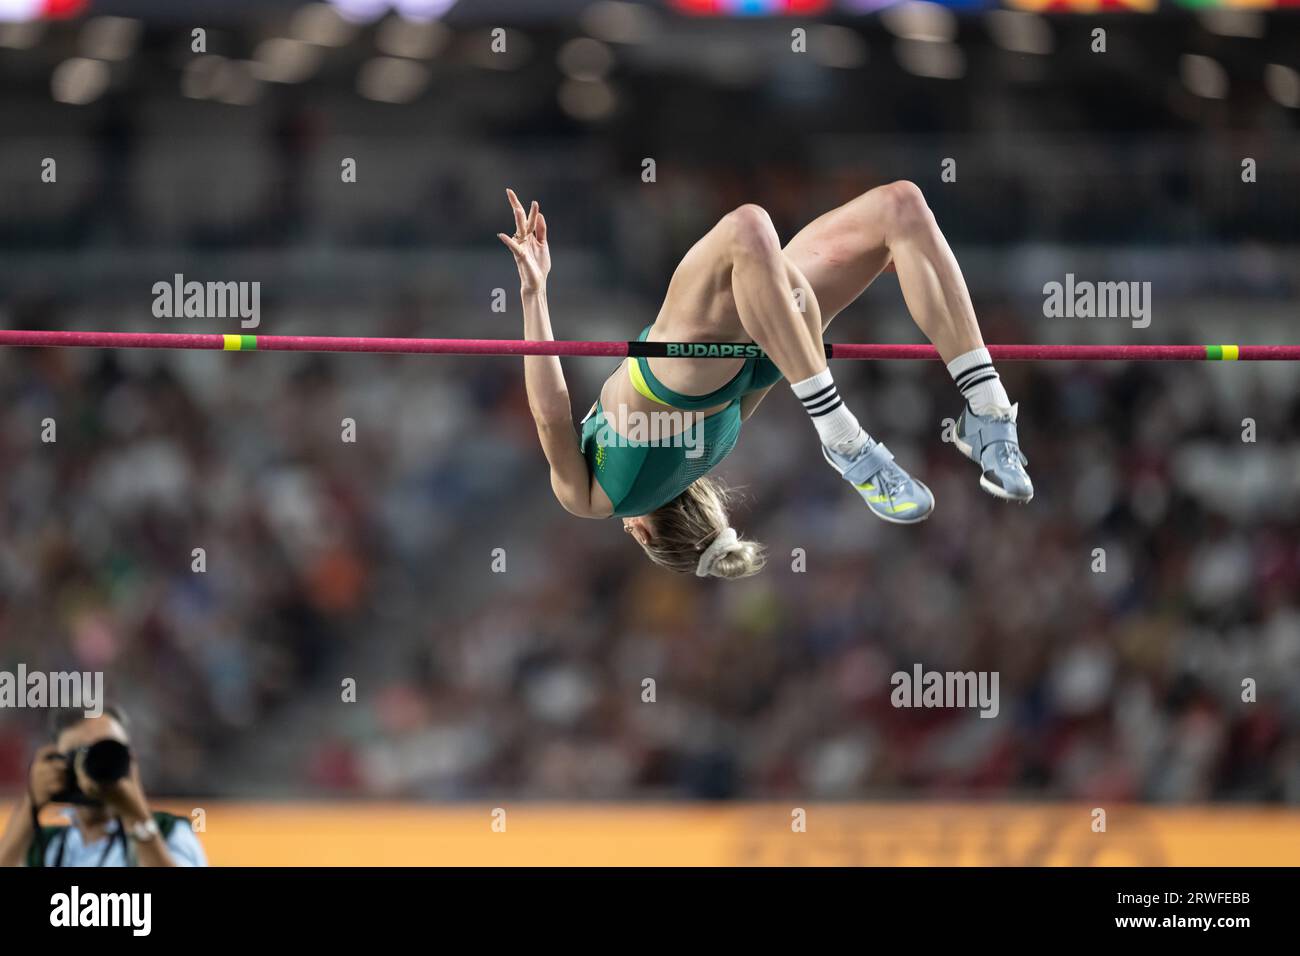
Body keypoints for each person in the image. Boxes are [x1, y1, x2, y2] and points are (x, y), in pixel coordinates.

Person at [497, 183, 1032, 579]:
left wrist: (796, 303)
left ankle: (985, 411)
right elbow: (548, 412)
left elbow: (766, 364)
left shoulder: (710, 453)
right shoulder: (596, 502)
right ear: (639, 531)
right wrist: (533, 293)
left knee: (899, 208)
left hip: (741, 367)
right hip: (680, 371)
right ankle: (844, 438)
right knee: (752, 225)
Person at [0, 707, 207, 867]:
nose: (95, 764)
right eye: (78, 755)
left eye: (108, 752)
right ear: (58, 763)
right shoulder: (44, 847)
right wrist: (31, 804)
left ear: (130, 761)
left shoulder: (168, 832)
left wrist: (136, 814)